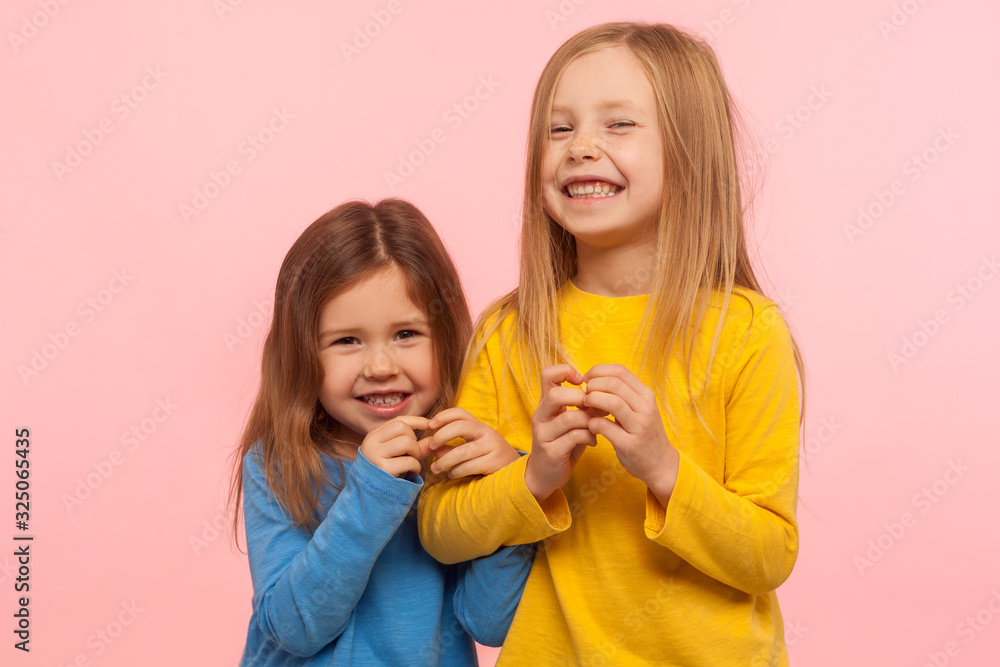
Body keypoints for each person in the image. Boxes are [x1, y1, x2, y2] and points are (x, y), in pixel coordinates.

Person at [418, 22, 804, 666]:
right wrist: (534, 475)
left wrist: (663, 467)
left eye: (619, 125)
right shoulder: (511, 333)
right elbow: (440, 532)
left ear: (689, 152)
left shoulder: (745, 332)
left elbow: (769, 555)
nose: (580, 148)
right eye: (559, 128)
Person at [229, 199, 534, 666]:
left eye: (406, 334)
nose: (381, 367)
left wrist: (513, 492)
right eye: (347, 341)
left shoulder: (458, 459)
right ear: (302, 352)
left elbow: (488, 623)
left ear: (445, 334)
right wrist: (371, 490)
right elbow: (293, 628)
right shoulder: (278, 462)